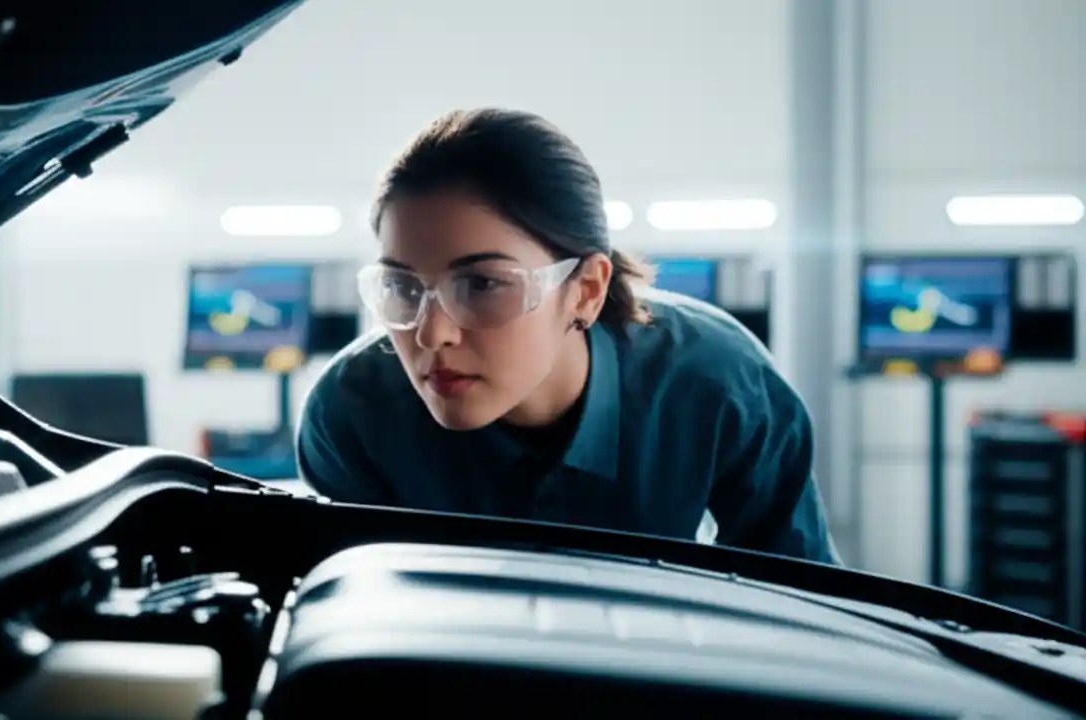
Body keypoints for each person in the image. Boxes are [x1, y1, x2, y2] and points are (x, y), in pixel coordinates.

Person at [294, 107, 841, 565]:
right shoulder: (351, 411)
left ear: (585, 289)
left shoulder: (717, 382)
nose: (432, 333)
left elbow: (809, 605)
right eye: (401, 287)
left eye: (482, 284)